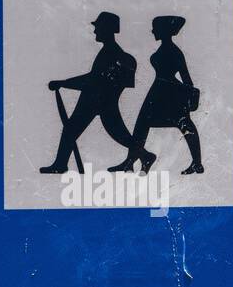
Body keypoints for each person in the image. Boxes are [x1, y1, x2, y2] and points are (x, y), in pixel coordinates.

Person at [39, 12, 151, 173]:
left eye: (98, 28)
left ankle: (60, 164)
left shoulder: (111, 51)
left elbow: (93, 79)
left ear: (106, 29)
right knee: (115, 133)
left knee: (83, 130)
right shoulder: (109, 50)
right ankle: (61, 164)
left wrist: (63, 83)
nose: (95, 31)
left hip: (96, 100)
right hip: (98, 99)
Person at [110, 15, 203, 175]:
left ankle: (196, 163)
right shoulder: (167, 49)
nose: (152, 31)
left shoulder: (174, 52)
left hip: (167, 93)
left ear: (164, 30)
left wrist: (188, 97)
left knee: (184, 124)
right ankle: (132, 161)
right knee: (143, 124)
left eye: (155, 28)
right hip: (159, 91)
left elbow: (186, 76)